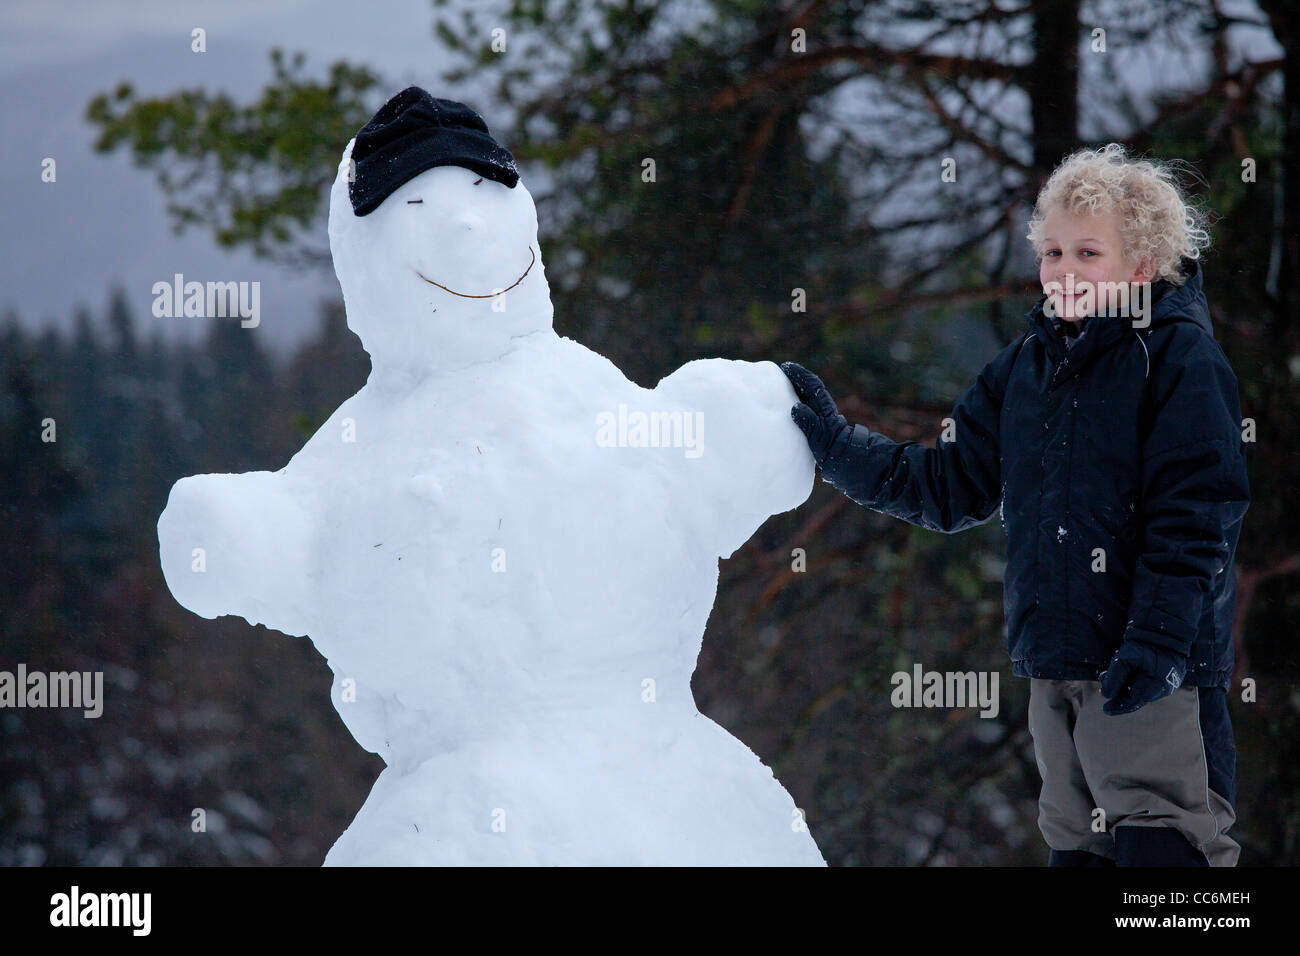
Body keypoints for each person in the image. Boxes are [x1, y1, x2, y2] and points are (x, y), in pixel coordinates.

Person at [781, 143, 1250, 866]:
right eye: (1052, 251)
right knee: (1078, 850)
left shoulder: (1179, 358)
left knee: (1168, 859)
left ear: (1142, 265)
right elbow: (950, 484)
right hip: (1057, 666)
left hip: (1155, 674)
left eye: (1088, 252)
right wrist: (842, 450)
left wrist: (1157, 645)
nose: (1063, 270)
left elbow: (1198, 517)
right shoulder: (1027, 366)